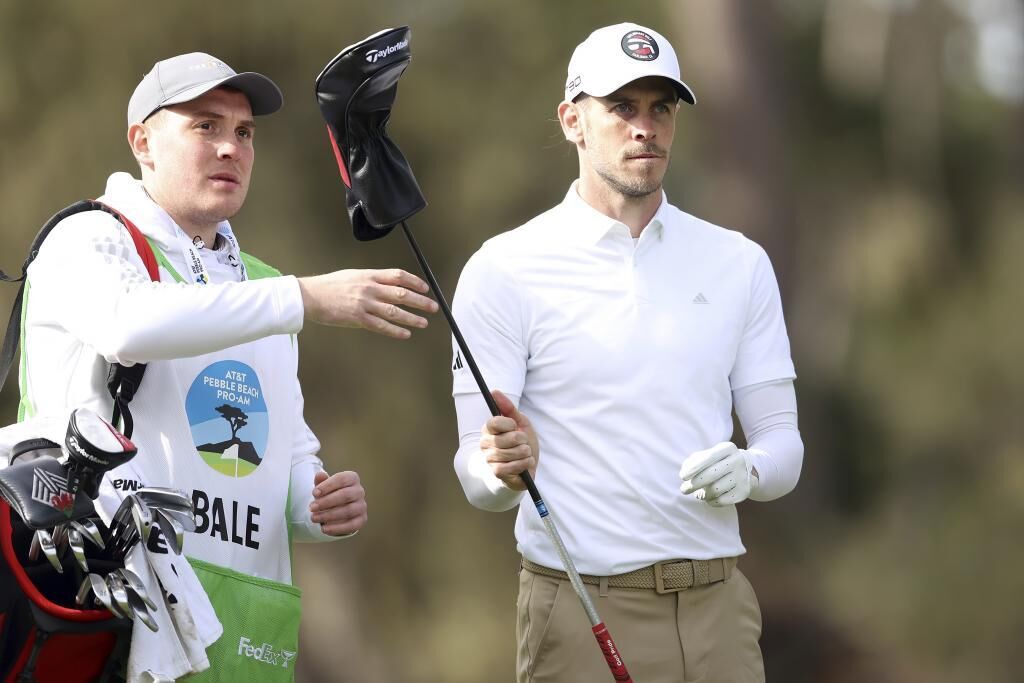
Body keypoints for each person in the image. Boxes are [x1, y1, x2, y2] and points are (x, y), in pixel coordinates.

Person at [17, 52, 437, 676]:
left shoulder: (262, 286)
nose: (229, 149)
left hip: (243, 618)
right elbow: (126, 324)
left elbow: (284, 458)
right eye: (205, 126)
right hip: (110, 606)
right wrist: (304, 296)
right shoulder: (88, 238)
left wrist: (316, 504)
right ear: (143, 142)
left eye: (243, 133)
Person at [450, 23, 804, 683]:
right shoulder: (505, 268)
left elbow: (783, 443)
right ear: (572, 121)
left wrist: (751, 470)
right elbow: (476, 474)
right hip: (581, 610)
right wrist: (502, 470)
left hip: (719, 612)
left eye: (661, 108)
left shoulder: (738, 262)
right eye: (622, 108)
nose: (646, 126)